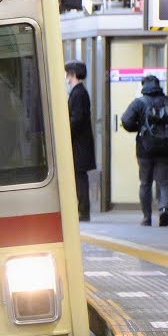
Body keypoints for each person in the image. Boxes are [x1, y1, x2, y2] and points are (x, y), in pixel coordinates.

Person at [120, 74, 168, 226]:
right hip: (166, 149)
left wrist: (137, 128)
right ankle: (164, 210)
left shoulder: (139, 102)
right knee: (164, 182)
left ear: (144, 86)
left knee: (145, 183)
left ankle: (146, 217)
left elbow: (126, 120)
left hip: (145, 149)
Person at [66, 60, 96, 221]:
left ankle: (83, 211)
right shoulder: (79, 92)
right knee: (79, 177)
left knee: (79, 177)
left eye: (67, 73)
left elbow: (77, 118)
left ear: (73, 74)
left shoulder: (78, 93)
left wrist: (66, 133)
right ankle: (82, 209)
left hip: (79, 144)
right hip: (80, 143)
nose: (66, 76)